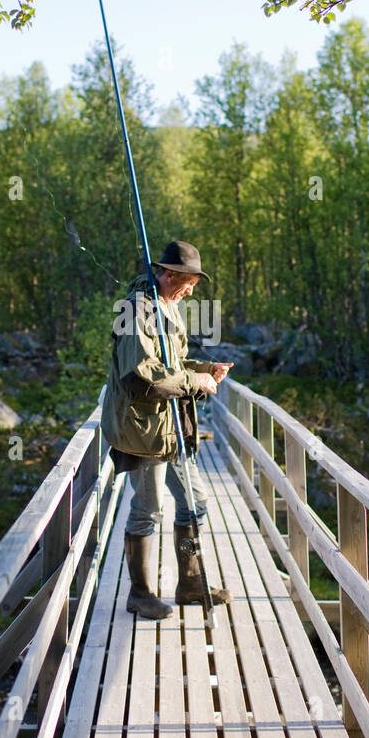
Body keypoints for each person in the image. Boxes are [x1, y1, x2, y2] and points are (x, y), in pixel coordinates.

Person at [101, 240, 234, 619]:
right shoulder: (135, 310)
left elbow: (170, 362)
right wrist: (195, 383)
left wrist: (204, 369)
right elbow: (142, 378)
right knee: (148, 510)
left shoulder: (166, 305)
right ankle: (140, 595)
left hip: (172, 429)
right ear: (169, 274)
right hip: (144, 431)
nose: (192, 291)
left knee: (196, 501)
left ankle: (190, 583)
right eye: (189, 282)